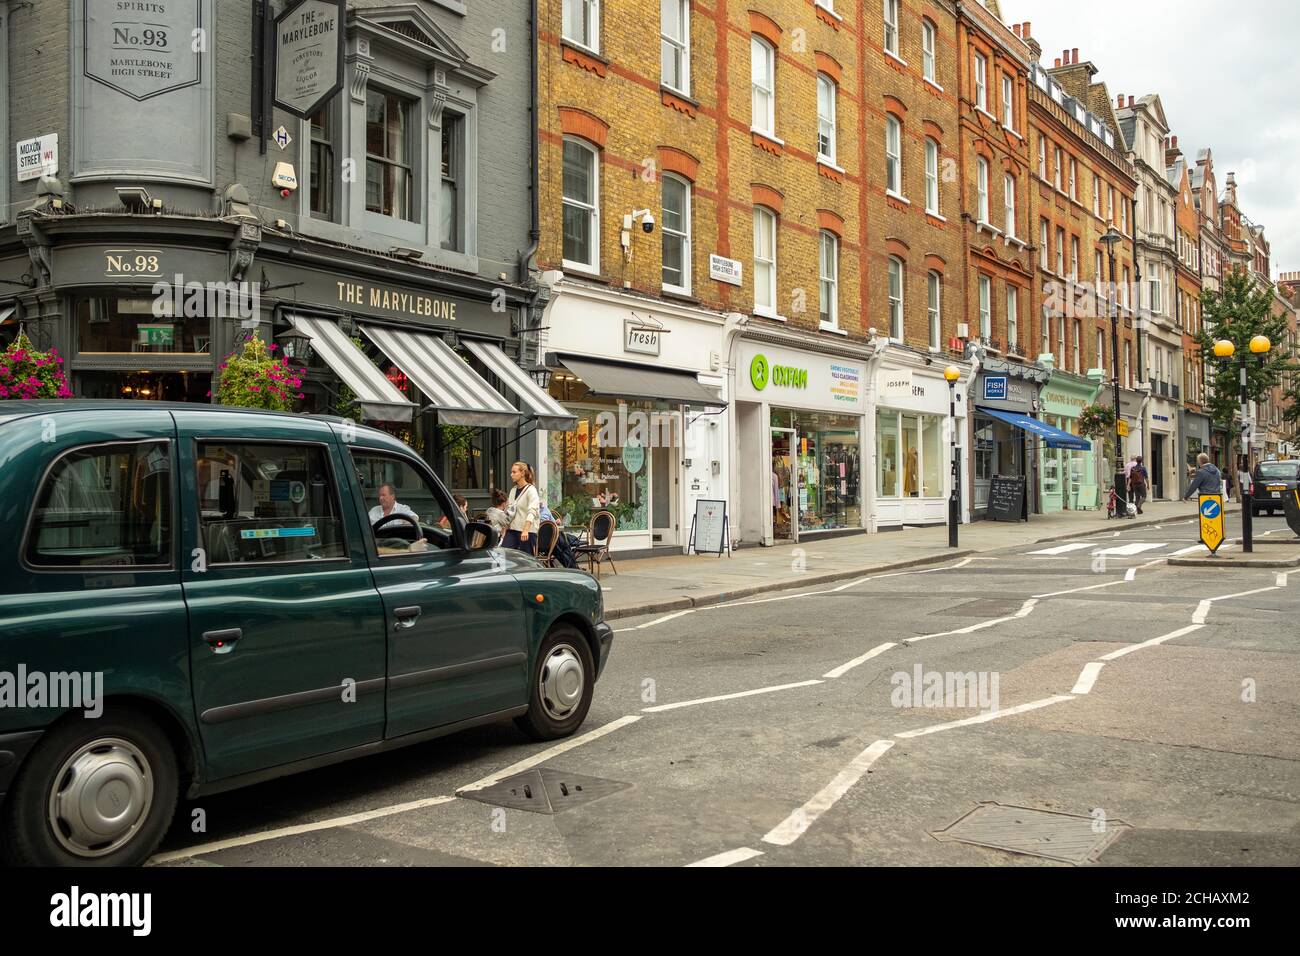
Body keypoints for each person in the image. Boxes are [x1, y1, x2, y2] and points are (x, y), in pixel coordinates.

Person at [503, 460, 540, 556]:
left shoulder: (531, 490)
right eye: (511, 472)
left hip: (527, 532)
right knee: (506, 554)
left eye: (514, 472)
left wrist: (525, 530)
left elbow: (532, 511)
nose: (511, 474)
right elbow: (510, 512)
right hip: (513, 530)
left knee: (526, 561)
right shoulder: (513, 490)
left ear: (522, 473)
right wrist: (505, 530)